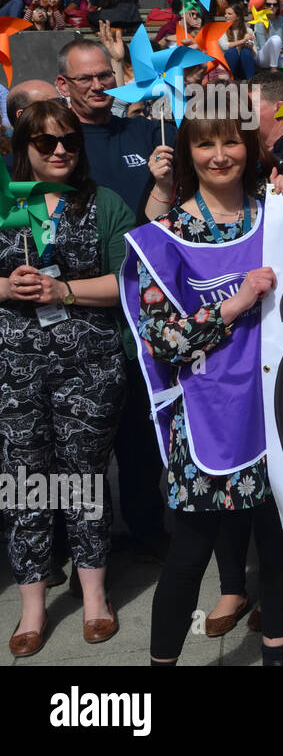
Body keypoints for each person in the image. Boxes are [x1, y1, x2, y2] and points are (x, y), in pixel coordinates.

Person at [129, 107, 283, 666]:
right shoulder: (166, 235)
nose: (220, 155)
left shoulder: (279, 215)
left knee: (277, 545)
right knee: (189, 554)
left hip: (276, 409)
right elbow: (164, 341)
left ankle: (274, 655)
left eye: (232, 141)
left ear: (250, 148)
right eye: (205, 146)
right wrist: (237, 302)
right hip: (206, 416)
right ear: (188, 155)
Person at [2, 100, 134, 658]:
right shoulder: (6, 203)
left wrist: (66, 291)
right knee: (24, 478)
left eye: (69, 142)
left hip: (88, 365)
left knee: (83, 477)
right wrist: (7, 288)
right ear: (24, 148)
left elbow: (130, 280)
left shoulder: (102, 202)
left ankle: (95, 595)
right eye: (46, 142)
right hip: (15, 367)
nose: (59, 151)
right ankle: (33, 605)